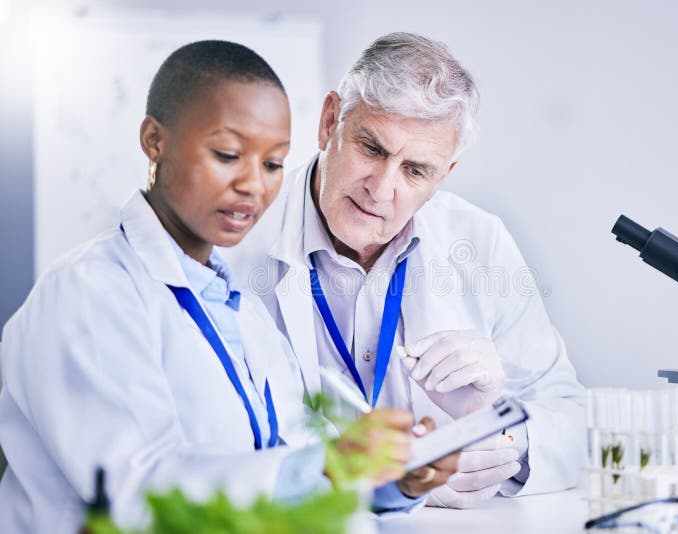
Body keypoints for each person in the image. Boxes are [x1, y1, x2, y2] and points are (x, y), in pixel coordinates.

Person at [0, 40, 456, 533]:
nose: (253, 185)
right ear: (154, 140)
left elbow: (295, 456)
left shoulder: (242, 312)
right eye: (228, 154)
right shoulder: (88, 293)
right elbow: (138, 496)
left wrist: (394, 477)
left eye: (273, 164)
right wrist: (324, 466)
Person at [227, 32, 586, 509]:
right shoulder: (233, 240)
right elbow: (204, 443)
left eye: (415, 171)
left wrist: (497, 440)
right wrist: (384, 483)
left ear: (443, 176)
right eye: (372, 149)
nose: (380, 189)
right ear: (330, 122)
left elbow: (569, 418)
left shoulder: (480, 241)